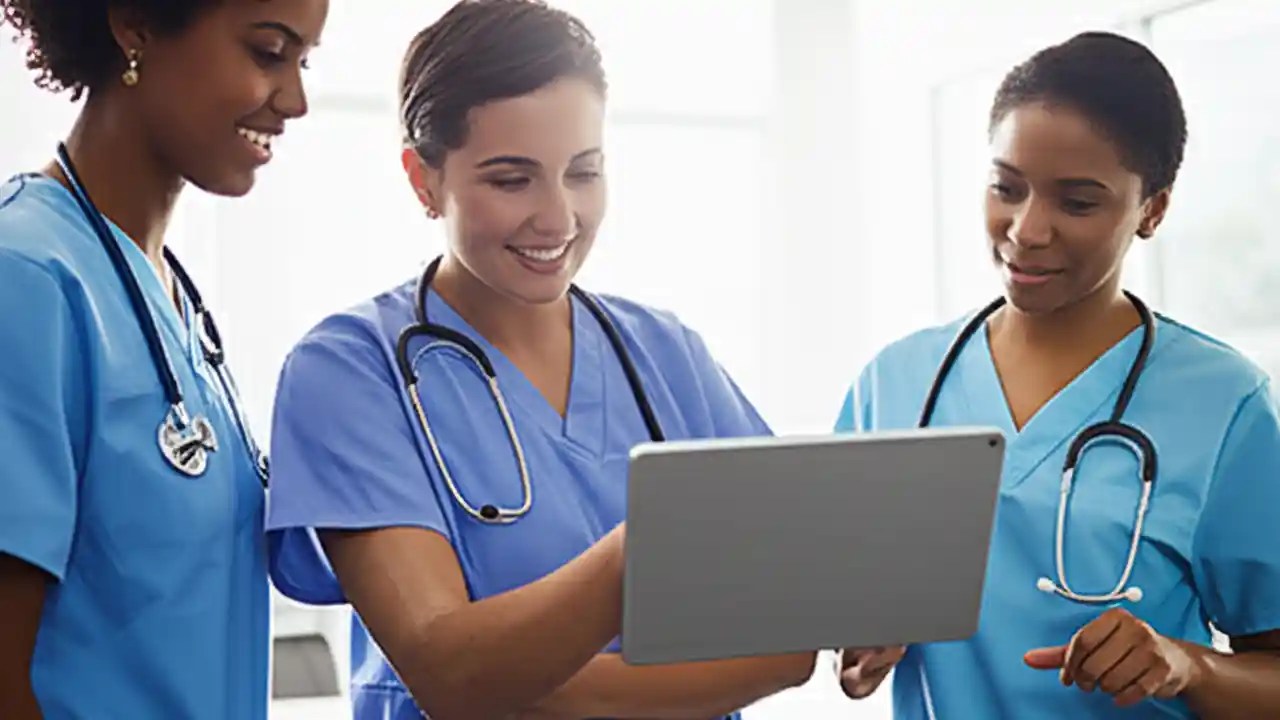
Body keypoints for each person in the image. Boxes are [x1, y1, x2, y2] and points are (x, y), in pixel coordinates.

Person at [264, 1, 899, 718]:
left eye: (583, 172)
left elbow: (788, 648)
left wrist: (535, 687)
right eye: (512, 179)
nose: (558, 218)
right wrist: (652, 546)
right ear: (423, 179)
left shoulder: (665, 354)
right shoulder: (351, 373)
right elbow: (453, 674)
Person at [835, 31, 1280, 718]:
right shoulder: (893, 384)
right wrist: (860, 650)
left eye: (1076, 203)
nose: (1026, 229)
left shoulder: (1227, 406)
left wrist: (1187, 665)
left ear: (1152, 210)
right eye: (1006, 188)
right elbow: (849, 616)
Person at [0, 1, 326, 718]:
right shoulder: (25, 279)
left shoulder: (167, 294)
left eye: (306, 61)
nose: (296, 101)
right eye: (269, 53)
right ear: (136, 25)